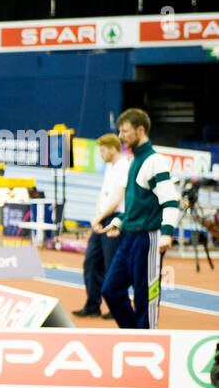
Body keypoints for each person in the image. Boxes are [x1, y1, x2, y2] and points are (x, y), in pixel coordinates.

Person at [101, 108, 180, 330]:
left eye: (125, 131)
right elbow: (134, 205)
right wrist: (118, 222)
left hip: (149, 239)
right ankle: (134, 336)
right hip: (129, 238)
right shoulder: (133, 160)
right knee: (111, 290)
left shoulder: (155, 161)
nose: (120, 136)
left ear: (140, 130)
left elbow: (170, 201)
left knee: (146, 298)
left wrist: (166, 233)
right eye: (119, 131)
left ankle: (148, 339)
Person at [71, 134, 128, 318]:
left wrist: (101, 217)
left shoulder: (124, 166)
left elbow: (117, 198)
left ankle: (117, 306)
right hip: (102, 218)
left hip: (115, 218)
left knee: (112, 263)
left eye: (103, 150)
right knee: (91, 262)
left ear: (113, 149)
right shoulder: (110, 168)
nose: (101, 154)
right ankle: (92, 304)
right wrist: (96, 217)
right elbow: (102, 194)